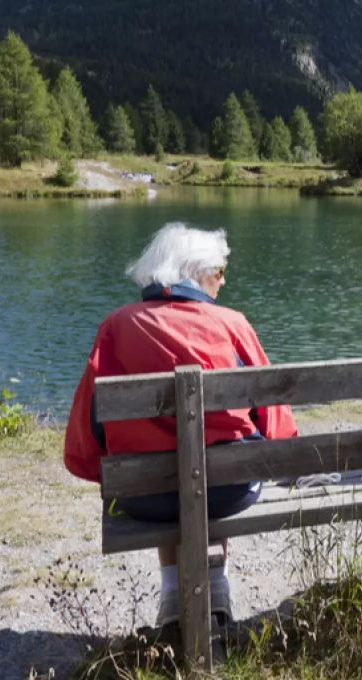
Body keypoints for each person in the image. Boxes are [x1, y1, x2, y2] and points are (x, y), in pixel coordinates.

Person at [63, 223, 297, 629]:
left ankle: (173, 595)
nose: (224, 280)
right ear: (194, 272)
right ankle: (217, 587)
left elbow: (90, 424)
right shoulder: (232, 323)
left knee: (174, 479)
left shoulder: (116, 326)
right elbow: (274, 418)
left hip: (143, 495)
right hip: (230, 491)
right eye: (220, 271)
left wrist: (104, 472)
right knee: (218, 467)